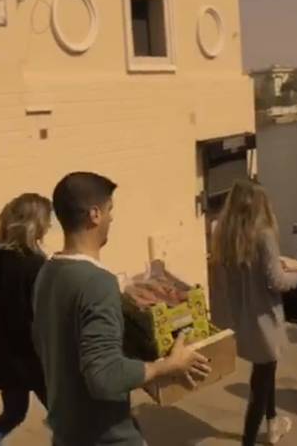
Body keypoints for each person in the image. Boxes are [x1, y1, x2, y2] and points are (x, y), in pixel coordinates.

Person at [32, 172, 211, 446]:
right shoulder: (97, 283)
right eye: (109, 210)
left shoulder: (47, 272)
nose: (112, 218)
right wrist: (167, 366)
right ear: (95, 214)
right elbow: (104, 377)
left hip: (68, 434)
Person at [211, 180, 297, 446]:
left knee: (265, 371)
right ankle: (249, 440)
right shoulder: (264, 235)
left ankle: (273, 425)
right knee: (260, 385)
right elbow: (277, 282)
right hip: (264, 322)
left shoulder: (224, 234)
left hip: (242, 318)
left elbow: (254, 271)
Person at [0, 193, 53, 446]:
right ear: (35, 224)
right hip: (30, 360)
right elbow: (42, 318)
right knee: (66, 416)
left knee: (13, 413)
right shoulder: (35, 265)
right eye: (47, 221)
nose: (49, 226)